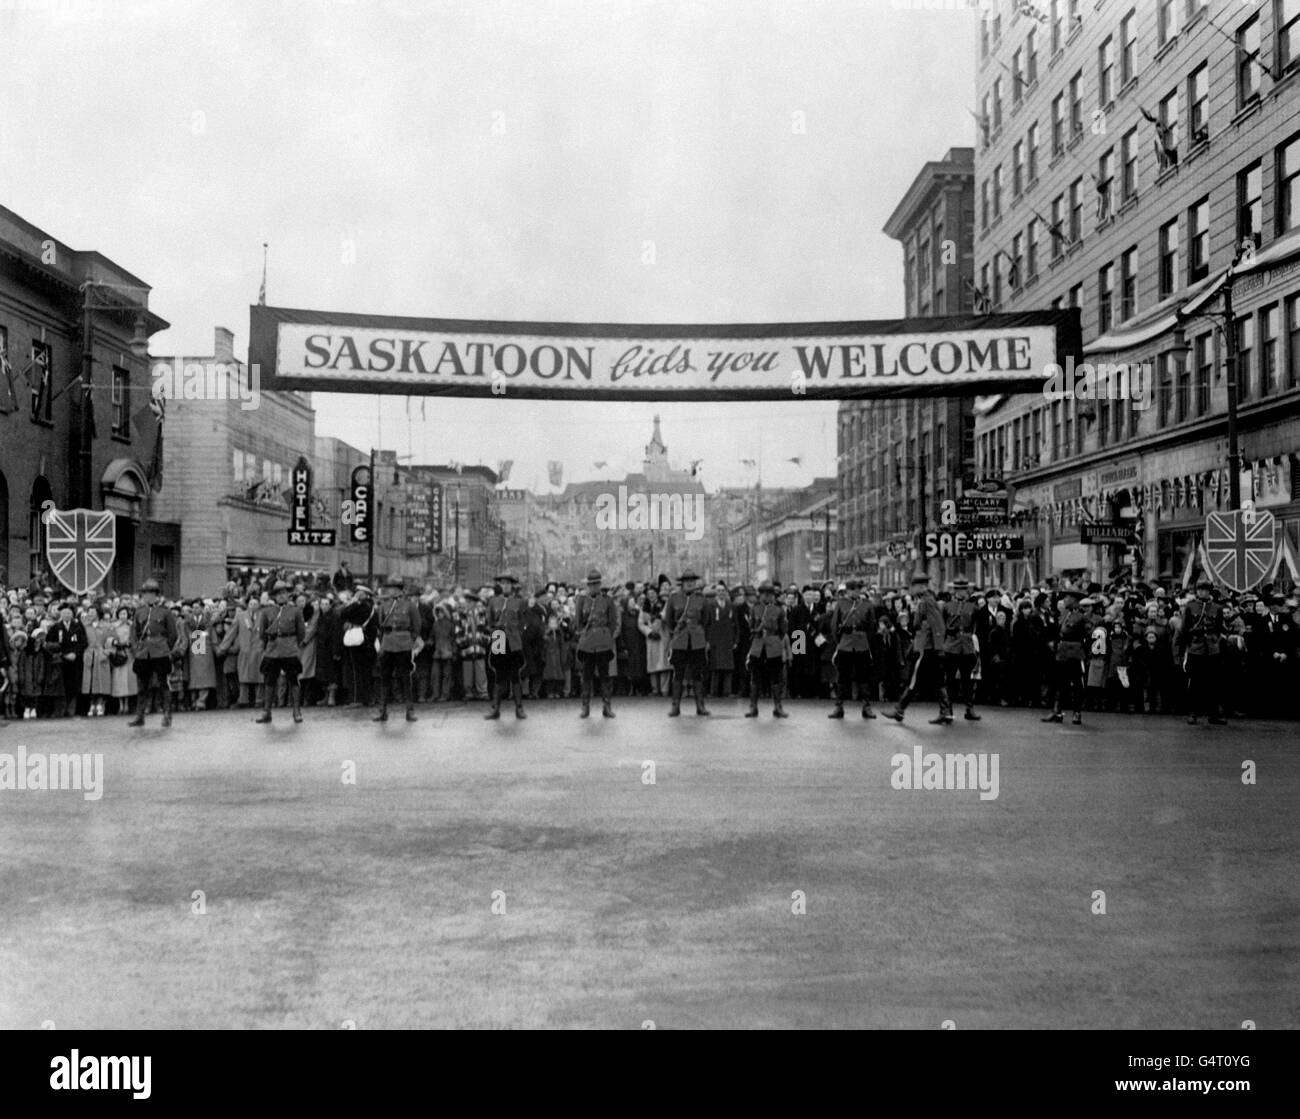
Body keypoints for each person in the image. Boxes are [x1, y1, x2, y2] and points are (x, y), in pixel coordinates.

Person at [885, 572, 952, 724]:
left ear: (921, 586)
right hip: (927, 647)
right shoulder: (925, 600)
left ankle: (899, 710)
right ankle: (945, 711)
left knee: (914, 681)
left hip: (926, 648)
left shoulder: (927, 601)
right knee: (937, 679)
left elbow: (938, 625)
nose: (911, 589)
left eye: (913, 586)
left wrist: (939, 648)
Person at [129, 578, 179, 728]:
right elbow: (134, 634)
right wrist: (136, 649)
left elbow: (173, 634)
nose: (148, 596)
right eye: (145, 594)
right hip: (143, 653)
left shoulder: (165, 612)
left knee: (163, 684)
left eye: (151, 593)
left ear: (156, 595)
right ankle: (140, 716)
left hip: (160, 651)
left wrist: (165, 647)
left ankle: (167, 715)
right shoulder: (139, 612)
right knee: (142, 686)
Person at [1177, 577, 1227, 725]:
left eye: (1205, 589)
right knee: (1195, 682)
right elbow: (1185, 629)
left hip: (1212, 649)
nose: (1202, 592)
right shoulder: (1190, 607)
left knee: (1214, 682)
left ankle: (1213, 714)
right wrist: (1189, 645)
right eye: (1200, 589)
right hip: (1196, 648)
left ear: (1209, 591)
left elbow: (1218, 628)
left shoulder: (1217, 608)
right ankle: (1192, 712)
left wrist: (1214, 642)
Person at [662, 569, 711, 717]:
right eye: (687, 581)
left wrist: (702, 636)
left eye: (692, 581)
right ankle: (675, 705)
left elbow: (706, 620)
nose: (690, 583)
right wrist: (675, 633)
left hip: (697, 640)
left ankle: (700, 705)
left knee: (697, 674)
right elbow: (669, 620)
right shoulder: (674, 598)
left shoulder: (702, 598)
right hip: (680, 640)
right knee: (678, 673)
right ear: (682, 583)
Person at [256, 580, 306, 724]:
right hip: (272, 649)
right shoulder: (267, 611)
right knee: (269, 681)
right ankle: (267, 711)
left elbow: (301, 632)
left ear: (288, 595)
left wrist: (294, 645)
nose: (281, 596)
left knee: (293, 680)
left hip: (289, 649)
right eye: (278, 594)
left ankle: (297, 711)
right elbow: (262, 633)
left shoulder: (295, 611)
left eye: (284, 593)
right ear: (275, 596)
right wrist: (267, 646)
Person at [828, 579, 876, 719]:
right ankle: (839, 707)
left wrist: (867, 641)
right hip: (845, 643)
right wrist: (840, 641)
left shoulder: (867, 605)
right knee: (842, 677)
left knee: (864, 677)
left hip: (862, 644)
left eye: (858, 589)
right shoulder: (841, 604)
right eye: (853, 589)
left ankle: (866, 707)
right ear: (848, 591)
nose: (856, 592)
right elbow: (834, 625)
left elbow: (871, 627)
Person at [574, 568, 620, 718]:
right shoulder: (582, 600)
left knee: (604, 676)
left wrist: (607, 637)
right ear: (588, 585)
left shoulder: (607, 600)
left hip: (603, 642)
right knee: (586, 675)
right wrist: (584, 635)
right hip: (588, 642)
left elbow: (612, 622)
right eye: (591, 584)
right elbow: (578, 622)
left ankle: (607, 707)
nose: (594, 587)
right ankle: (585, 707)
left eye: (596, 584)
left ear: (600, 585)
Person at [1042, 588, 1088, 725]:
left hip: (1075, 652)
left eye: (1067, 598)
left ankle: (1077, 712)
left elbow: (1081, 633)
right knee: (1060, 683)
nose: (1064, 600)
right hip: (1063, 652)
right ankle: (1057, 712)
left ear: (1074, 600)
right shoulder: (1065, 614)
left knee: (1077, 684)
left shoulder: (1080, 616)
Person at [485, 573, 527, 719]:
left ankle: (519, 708)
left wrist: (516, 633)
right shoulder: (493, 601)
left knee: (515, 675)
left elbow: (522, 622)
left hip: (514, 639)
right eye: (503, 583)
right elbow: (489, 621)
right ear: (500, 585)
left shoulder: (519, 602)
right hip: (499, 637)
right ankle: (495, 708)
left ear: (512, 586)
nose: (506, 586)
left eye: (508, 583)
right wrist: (496, 633)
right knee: (499, 675)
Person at [745, 581, 789, 717]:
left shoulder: (779, 610)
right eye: (764, 594)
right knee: (755, 677)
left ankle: (778, 706)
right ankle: (753, 707)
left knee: (776, 678)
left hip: (773, 645)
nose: (767, 597)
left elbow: (783, 630)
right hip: (758, 645)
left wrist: (773, 637)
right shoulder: (755, 609)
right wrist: (756, 631)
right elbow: (750, 626)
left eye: (769, 594)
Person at [941, 577, 981, 722]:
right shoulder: (946, 606)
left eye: (963, 589)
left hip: (967, 646)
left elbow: (976, 626)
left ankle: (969, 709)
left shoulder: (973, 608)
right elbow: (943, 627)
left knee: (967, 680)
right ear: (954, 590)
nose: (961, 592)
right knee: (950, 679)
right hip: (951, 645)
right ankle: (948, 709)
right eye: (958, 589)